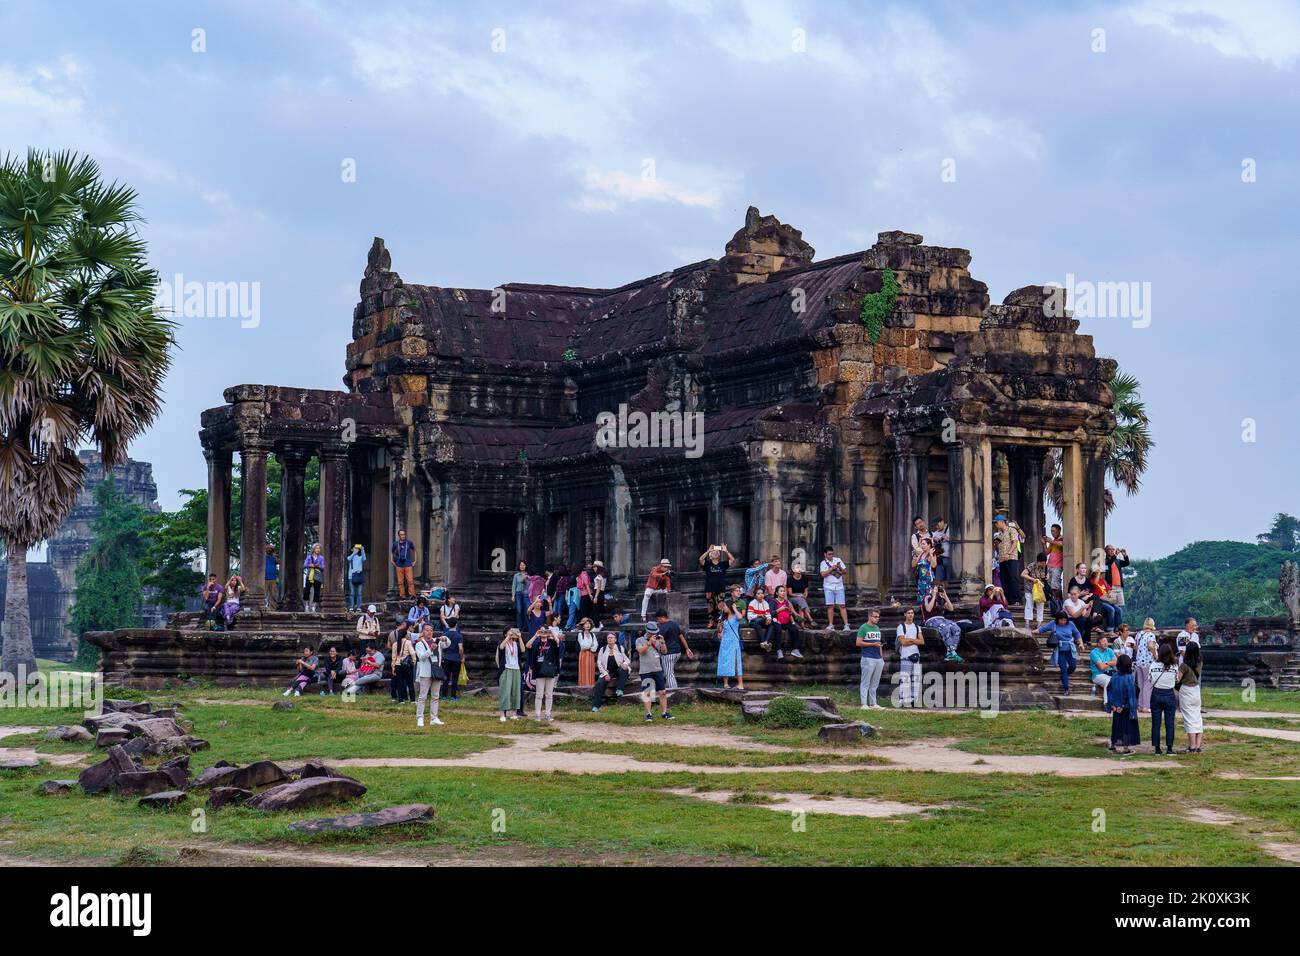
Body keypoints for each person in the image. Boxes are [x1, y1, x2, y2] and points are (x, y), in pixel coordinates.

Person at [1038, 611, 1084, 695]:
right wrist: (1032, 632)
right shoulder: (1053, 624)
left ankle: (1064, 677)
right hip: (1059, 651)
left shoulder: (1070, 624)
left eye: (1064, 620)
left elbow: (1077, 633)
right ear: (1057, 619)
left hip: (1069, 649)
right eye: (1061, 620)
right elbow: (1042, 629)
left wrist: (1080, 643)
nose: (1063, 622)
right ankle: (1066, 688)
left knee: (1073, 666)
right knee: (1063, 669)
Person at [526, 620, 563, 721]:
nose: (543, 633)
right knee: (539, 694)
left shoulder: (552, 642)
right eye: (541, 631)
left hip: (550, 671)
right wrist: (535, 635)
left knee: (549, 694)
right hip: (539, 671)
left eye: (544, 631)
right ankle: (537, 715)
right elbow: (527, 645)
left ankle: (548, 714)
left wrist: (551, 632)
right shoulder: (536, 642)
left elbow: (559, 642)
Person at [636, 622, 673, 721]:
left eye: (655, 633)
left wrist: (663, 642)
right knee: (648, 693)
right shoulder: (639, 640)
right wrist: (648, 643)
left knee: (663, 692)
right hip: (645, 670)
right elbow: (641, 651)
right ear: (647, 631)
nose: (653, 634)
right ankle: (648, 714)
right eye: (652, 633)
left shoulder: (657, 640)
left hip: (658, 669)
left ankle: (664, 713)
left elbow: (664, 652)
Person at [1148, 643, 1179, 755]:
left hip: (1156, 694)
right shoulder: (1174, 666)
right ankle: (1169, 748)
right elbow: (1176, 680)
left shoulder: (1153, 665)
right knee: (1170, 722)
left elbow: (1150, 679)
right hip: (1169, 694)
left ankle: (1157, 748)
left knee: (1156, 723)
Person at [1107, 654, 1140, 754]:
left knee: (1116, 725)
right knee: (1126, 727)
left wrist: (1112, 705)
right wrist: (1124, 706)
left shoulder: (1114, 676)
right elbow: (1130, 694)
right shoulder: (1129, 677)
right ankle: (1125, 748)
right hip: (1126, 707)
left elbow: (1109, 689)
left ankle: (1113, 744)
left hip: (1116, 706)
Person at [921, 584, 964, 663]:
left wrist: (945, 596)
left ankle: (949, 653)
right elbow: (928, 609)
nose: (938, 590)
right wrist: (933, 596)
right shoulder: (927, 597)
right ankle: (953, 653)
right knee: (945, 628)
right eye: (936, 588)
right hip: (931, 620)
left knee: (956, 628)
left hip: (942, 619)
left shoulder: (941, 599)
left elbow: (951, 608)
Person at [591, 632, 632, 710]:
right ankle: (596, 706)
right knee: (599, 683)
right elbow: (599, 663)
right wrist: (605, 674)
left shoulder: (620, 648)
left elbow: (627, 660)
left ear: (615, 639)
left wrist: (625, 663)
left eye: (612, 637)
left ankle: (619, 689)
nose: (610, 639)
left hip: (618, 669)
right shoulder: (602, 650)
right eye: (608, 637)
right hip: (607, 671)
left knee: (624, 668)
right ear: (607, 640)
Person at [699, 544, 735, 627]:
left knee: (720, 606)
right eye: (713, 553)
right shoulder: (707, 564)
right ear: (710, 556)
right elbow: (701, 559)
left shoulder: (723, 564)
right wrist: (708, 551)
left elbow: (732, 560)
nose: (715, 553)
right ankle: (711, 622)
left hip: (720, 588)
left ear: (719, 556)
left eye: (717, 552)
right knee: (710, 605)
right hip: (709, 588)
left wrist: (726, 551)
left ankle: (719, 622)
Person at [1178, 641, 1204, 753]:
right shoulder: (1200, 662)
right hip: (1196, 690)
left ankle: (1192, 746)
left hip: (1186, 690)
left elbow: (1177, 679)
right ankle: (1197, 746)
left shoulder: (1183, 666)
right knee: (1197, 717)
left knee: (1189, 718)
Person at [992, 515, 1025, 605]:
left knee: (1012, 578)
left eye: (997, 522)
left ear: (1002, 522)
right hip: (1002, 559)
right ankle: (1008, 600)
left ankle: (1016, 599)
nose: (996, 524)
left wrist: (1009, 553)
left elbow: (1015, 542)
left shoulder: (1011, 530)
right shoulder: (999, 534)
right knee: (1004, 579)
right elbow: (998, 546)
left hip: (1011, 558)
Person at [856, 607, 884, 709]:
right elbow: (858, 642)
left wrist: (881, 658)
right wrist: (872, 645)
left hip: (878, 658)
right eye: (875, 617)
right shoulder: (863, 627)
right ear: (869, 616)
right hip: (868, 657)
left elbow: (879, 644)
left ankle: (873, 703)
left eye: (878, 617)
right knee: (865, 682)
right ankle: (864, 704)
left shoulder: (877, 628)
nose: (877, 619)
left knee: (874, 683)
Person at [896, 607, 924, 706]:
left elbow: (922, 641)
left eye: (912, 613)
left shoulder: (917, 627)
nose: (911, 615)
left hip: (916, 656)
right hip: (905, 656)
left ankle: (913, 700)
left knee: (915, 680)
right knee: (904, 679)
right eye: (908, 613)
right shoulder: (901, 627)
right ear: (905, 614)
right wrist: (915, 640)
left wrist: (910, 640)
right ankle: (902, 700)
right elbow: (903, 642)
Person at [496, 628, 526, 722]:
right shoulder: (502, 642)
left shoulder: (516, 644)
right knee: (505, 692)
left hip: (516, 669)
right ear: (505, 634)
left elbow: (523, 649)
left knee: (515, 692)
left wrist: (520, 637)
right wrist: (509, 636)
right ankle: (502, 714)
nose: (513, 633)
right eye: (510, 631)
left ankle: (513, 714)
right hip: (506, 669)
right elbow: (501, 647)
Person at [768, 585, 803, 660]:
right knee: (778, 629)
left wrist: (793, 621)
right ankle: (779, 650)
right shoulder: (773, 602)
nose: (783, 593)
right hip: (776, 620)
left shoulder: (787, 602)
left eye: (784, 591)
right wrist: (780, 610)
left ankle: (795, 649)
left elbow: (789, 613)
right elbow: (771, 613)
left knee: (794, 629)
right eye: (781, 591)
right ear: (777, 593)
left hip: (786, 621)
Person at [715, 599, 744, 690]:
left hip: (734, 641)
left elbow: (740, 618)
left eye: (725, 606)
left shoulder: (735, 616)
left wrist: (735, 608)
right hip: (725, 642)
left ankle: (740, 684)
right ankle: (725, 683)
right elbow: (719, 630)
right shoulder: (722, 617)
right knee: (725, 661)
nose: (723, 608)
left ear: (729, 607)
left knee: (736, 661)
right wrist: (719, 625)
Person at [819, 546, 850, 632]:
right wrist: (831, 568)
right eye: (829, 554)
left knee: (842, 605)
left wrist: (839, 567)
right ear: (825, 554)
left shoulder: (838, 560)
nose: (831, 556)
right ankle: (831, 624)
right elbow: (823, 574)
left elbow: (845, 572)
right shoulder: (823, 563)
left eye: (832, 554)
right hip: (828, 586)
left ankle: (846, 625)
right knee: (830, 606)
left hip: (839, 586)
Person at [1134, 618, 1159, 714]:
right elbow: (1151, 646)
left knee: (1141, 684)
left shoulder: (1138, 634)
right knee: (1148, 684)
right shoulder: (1151, 635)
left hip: (1139, 661)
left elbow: (1136, 647)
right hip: (1148, 662)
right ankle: (1146, 706)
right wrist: (1155, 655)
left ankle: (1140, 705)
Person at [1020, 552, 1049, 628]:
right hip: (1030, 588)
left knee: (1040, 606)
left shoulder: (1046, 567)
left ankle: (1039, 624)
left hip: (1040, 590)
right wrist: (1033, 579)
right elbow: (1023, 574)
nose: (1043, 564)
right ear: (1038, 561)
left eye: (1044, 562)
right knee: (1029, 605)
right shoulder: (1031, 566)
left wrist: (1047, 577)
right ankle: (1027, 624)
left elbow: (1046, 578)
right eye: (1042, 562)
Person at [390, 622, 415, 704]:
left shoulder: (395, 644)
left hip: (398, 665)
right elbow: (412, 653)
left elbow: (393, 657)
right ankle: (413, 700)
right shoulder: (408, 642)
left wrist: (393, 667)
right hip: (407, 664)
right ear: (405, 635)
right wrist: (414, 661)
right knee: (410, 683)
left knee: (400, 683)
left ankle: (401, 700)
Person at [1089, 634, 1117, 705]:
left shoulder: (1109, 650)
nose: (1106, 643)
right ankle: (1107, 703)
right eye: (1103, 641)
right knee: (1109, 682)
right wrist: (1110, 663)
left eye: (1106, 641)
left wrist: (1106, 663)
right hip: (1098, 675)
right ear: (1098, 644)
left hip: (1110, 673)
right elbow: (1101, 667)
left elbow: (1116, 662)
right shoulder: (1094, 653)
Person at [391, 529, 417, 600]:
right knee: (400, 582)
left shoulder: (409, 543)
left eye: (404, 534)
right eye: (401, 534)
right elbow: (392, 552)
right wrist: (392, 560)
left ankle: (412, 595)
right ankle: (402, 595)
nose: (403, 536)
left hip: (408, 564)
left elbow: (414, 550)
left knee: (410, 581)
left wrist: (415, 560)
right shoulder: (396, 543)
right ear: (399, 535)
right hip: (399, 565)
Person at [1043, 524, 1065, 608]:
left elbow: (1061, 544)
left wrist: (1050, 541)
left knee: (1056, 586)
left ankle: (1060, 601)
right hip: (1050, 566)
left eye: (1054, 531)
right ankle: (1054, 603)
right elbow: (1046, 552)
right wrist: (1044, 543)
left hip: (1057, 566)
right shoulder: (1053, 541)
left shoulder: (1062, 538)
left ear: (1059, 531)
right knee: (1049, 586)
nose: (1052, 533)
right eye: (1051, 531)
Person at [440, 623, 464, 700]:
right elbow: (460, 648)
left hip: (446, 658)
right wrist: (461, 657)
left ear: (448, 625)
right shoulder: (459, 635)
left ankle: (444, 696)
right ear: (456, 625)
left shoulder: (445, 634)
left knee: (445, 677)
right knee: (455, 678)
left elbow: (442, 647)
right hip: (456, 659)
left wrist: (442, 656)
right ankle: (453, 696)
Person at [1102, 544, 1130, 610]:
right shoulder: (1105, 561)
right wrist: (1115, 555)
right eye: (1110, 549)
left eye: (1113, 549)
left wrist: (1125, 555)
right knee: (1112, 606)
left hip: (1119, 586)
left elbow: (1127, 563)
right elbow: (1109, 563)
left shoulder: (1117, 560)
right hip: (1111, 587)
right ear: (1106, 551)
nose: (1112, 551)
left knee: (1120, 606)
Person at [302, 544, 325, 613]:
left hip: (318, 575)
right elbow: (305, 565)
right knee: (307, 590)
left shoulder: (321, 558)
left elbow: (323, 567)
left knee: (317, 592)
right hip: (310, 575)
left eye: (319, 548)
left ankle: (313, 607)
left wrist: (318, 566)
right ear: (313, 549)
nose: (318, 550)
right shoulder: (309, 557)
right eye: (316, 548)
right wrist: (310, 565)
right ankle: (306, 606)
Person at [576, 618, 599, 686]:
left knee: (591, 669)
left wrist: (591, 647)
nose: (587, 625)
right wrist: (591, 645)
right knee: (584, 670)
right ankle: (583, 685)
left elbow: (596, 645)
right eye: (586, 624)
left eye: (589, 623)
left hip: (591, 654)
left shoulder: (593, 635)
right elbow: (583, 645)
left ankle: (591, 685)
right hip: (583, 654)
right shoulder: (580, 635)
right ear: (583, 625)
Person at [346, 543, 367, 612]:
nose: (356, 550)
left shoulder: (360, 557)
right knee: (352, 593)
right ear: (352, 549)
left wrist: (362, 550)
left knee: (359, 593)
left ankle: (359, 607)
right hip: (351, 576)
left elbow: (364, 558)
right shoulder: (351, 557)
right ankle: (351, 607)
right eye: (355, 548)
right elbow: (348, 559)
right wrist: (354, 553)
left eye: (357, 548)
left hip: (359, 576)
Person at [511, 561, 531, 631]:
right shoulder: (516, 575)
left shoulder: (528, 575)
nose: (522, 566)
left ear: (526, 566)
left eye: (523, 565)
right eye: (521, 565)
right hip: (518, 593)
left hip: (526, 594)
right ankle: (519, 627)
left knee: (526, 611)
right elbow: (514, 586)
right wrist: (513, 595)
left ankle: (525, 627)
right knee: (519, 610)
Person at [930, 518, 949, 583]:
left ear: (942, 522)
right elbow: (932, 544)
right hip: (939, 557)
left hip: (949, 556)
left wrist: (948, 538)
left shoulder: (950, 529)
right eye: (935, 526)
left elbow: (958, 540)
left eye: (937, 525)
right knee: (938, 572)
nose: (936, 527)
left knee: (948, 573)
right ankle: (938, 587)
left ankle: (948, 585)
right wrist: (934, 541)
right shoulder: (935, 533)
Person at [590, 560, 607, 626]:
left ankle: (597, 625)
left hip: (598, 592)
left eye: (595, 567)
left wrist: (596, 597)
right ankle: (598, 624)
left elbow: (599, 587)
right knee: (597, 610)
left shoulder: (599, 576)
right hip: (601, 593)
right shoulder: (603, 576)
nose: (594, 568)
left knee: (596, 610)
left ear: (599, 568)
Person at [264, 544, 281, 609]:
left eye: (271, 549)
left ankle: (273, 607)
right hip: (265, 578)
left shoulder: (274, 557)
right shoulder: (264, 557)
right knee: (264, 594)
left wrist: (275, 554)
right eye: (268, 549)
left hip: (273, 578)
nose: (269, 550)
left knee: (273, 594)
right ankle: (265, 607)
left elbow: (279, 562)